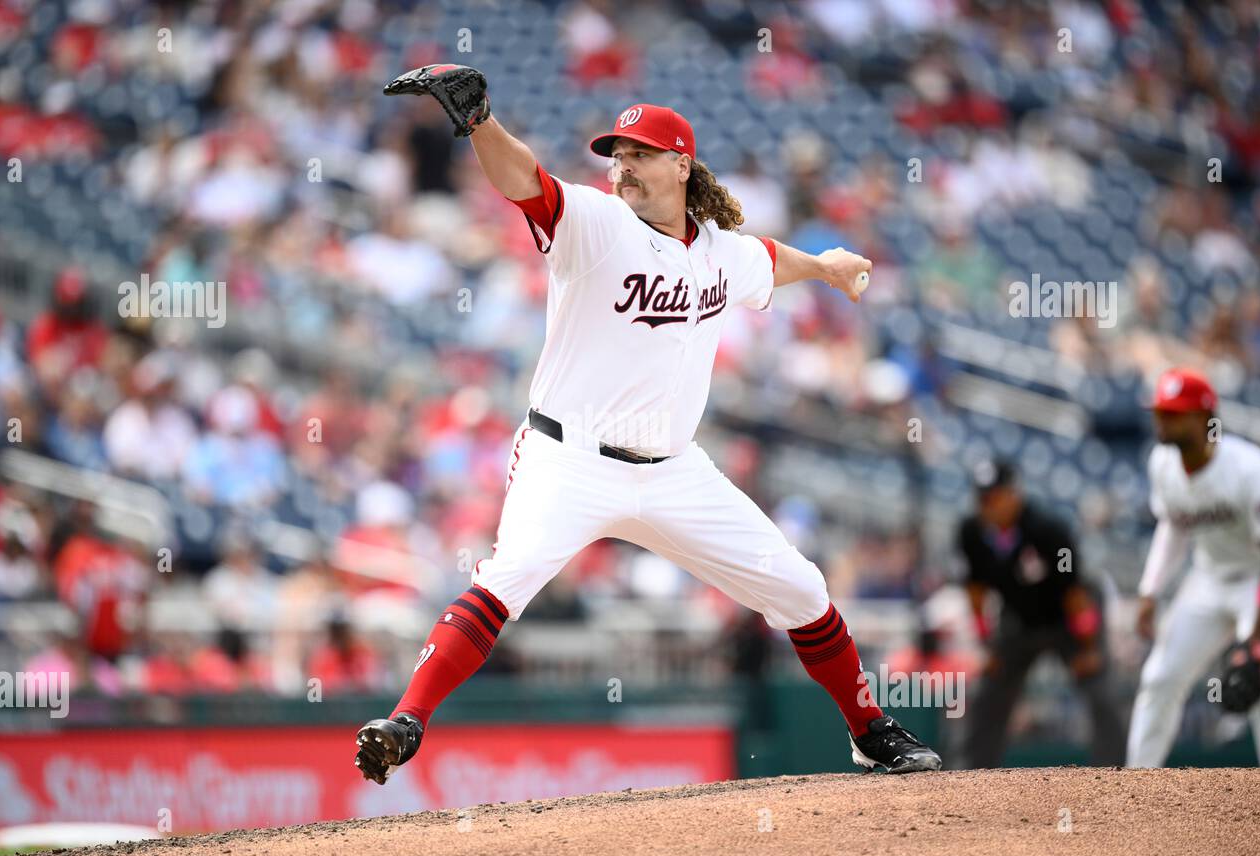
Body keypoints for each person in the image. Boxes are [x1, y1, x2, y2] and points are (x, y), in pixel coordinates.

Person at [354, 70, 941, 784]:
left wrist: (825, 266)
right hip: (568, 459)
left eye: (639, 152)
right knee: (505, 578)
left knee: (800, 587)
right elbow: (525, 180)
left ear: (681, 164)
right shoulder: (596, 224)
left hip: (673, 471)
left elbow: (764, 259)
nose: (622, 165)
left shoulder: (720, 248)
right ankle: (407, 719)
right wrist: (480, 122)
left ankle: (868, 730)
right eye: (617, 153)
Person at [1127, 368, 1260, 767]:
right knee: (1159, 678)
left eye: (1174, 413)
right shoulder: (1162, 463)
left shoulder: (1249, 468)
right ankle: (1133, 787)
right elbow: (1173, 527)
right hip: (1207, 579)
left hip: (1256, 581)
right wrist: (1149, 590)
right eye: (1160, 411)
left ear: (1204, 418)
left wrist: (1255, 638)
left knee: (1258, 685)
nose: (1162, 420)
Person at [957, 459, 1125, 768]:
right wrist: (987, 645)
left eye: (994, 496)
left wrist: (1088, 647)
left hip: (1067, 616)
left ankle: (1115, 769)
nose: (987, 506)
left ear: (1013, 495)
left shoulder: (1047, 530)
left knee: (1099, 690)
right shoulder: (972, 533)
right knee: (989, 694)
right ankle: (973, 771)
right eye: (982, 498)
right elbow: (976, 591)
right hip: (1019, 620)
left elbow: (1075, 594)